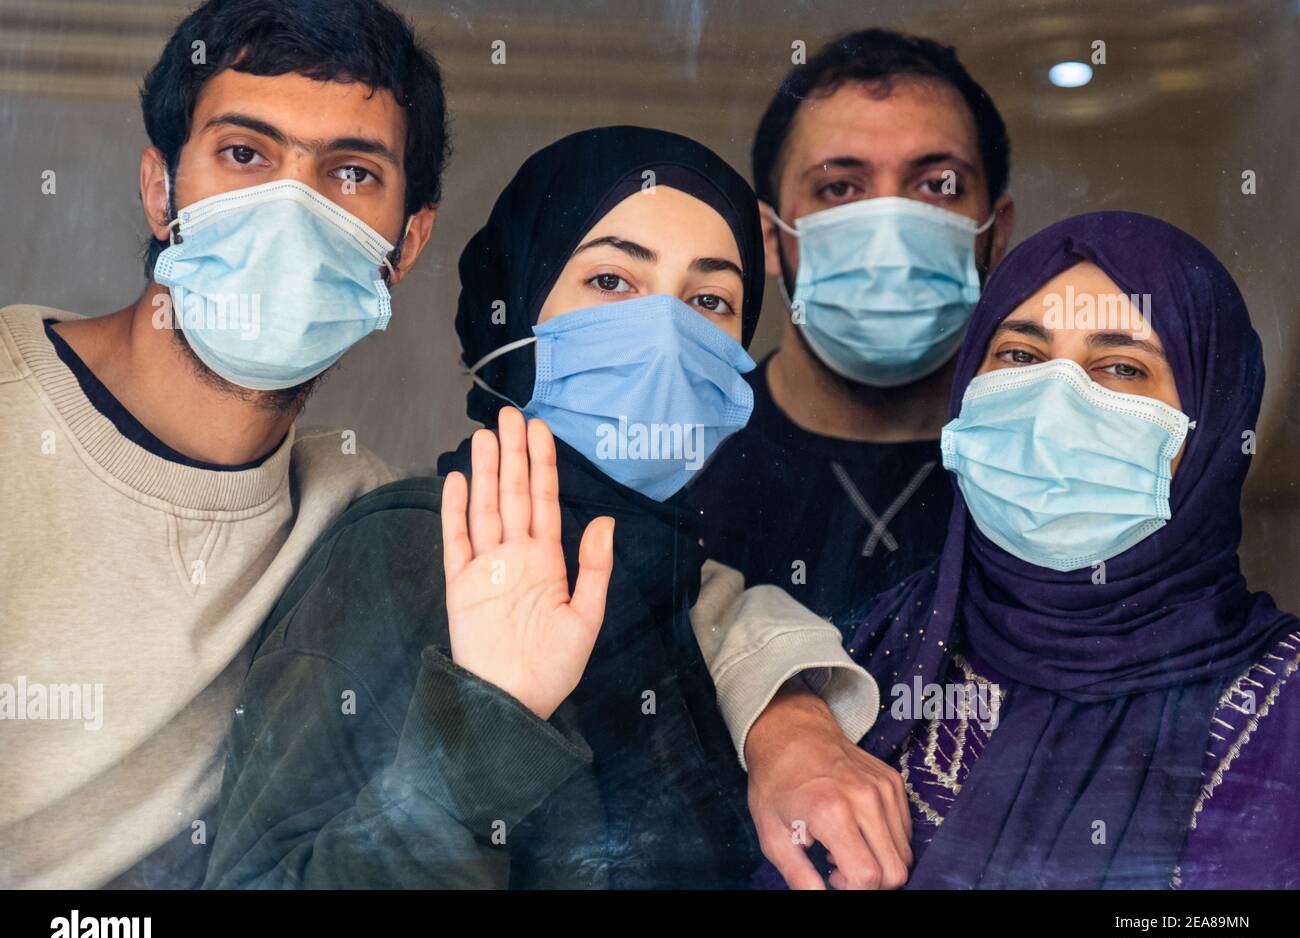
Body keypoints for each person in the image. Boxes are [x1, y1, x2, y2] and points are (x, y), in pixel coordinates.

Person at [203, 126, 877, 890]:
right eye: (612, 282)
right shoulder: (413, 549)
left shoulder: (684, 587)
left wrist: (790, 716)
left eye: (709, 300)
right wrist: (486, 728)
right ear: (514, 313)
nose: (665, 336)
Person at [0, 0, 447, 888]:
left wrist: (781, 722)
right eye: (245, 154)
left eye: (351, 173)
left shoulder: (359, 517)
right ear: (162, 189)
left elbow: (653, 579)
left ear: (407, 243)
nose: (291, 210)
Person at [740, 211, 1300, 889]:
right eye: (1020, 356)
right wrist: (779, 721)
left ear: (1214, 424)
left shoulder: (1283, 704)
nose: (1052, 403)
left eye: (1121, 366)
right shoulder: (860, 655)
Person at [687, 29, 1015, 639]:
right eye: (840, 187)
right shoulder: (682, 461)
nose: (888, 234)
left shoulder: (1050, 466)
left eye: (936, 185)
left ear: (995, 231)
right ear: (770, 238)